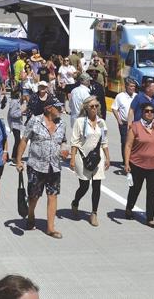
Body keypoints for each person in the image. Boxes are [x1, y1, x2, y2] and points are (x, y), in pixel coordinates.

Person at [16, 96, 66, 239]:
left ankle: (50, 228)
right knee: (34, 196)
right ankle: (31, 215)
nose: (61, 110)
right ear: (49, 108)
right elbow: (24, 140)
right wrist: (19, 160)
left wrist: (65, 149)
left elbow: (63, 140)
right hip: (36, 165)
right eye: (58, 107)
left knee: (53, 195)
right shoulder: (35, 121)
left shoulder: (62, 123)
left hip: (55, 166)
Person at [70, 96, 111, 227]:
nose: (94, 109)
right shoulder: (80, 122)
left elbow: (104, 141)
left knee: (97, 186)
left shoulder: (102, 123)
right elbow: (75, 141)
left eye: (96, 106)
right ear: (86, 108)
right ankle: (75, 202)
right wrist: (72, 158)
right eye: (92, 106)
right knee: (84, 186)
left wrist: (108, 158)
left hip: (98, 158)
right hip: (82, 158)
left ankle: (94, 213)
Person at [124, 103, 154, 229]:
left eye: (152, 111)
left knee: (152, 192)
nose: (149, 113)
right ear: (142, 112)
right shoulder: (135, 126)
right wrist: (126, 163)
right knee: (135, 189)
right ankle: (129, 208)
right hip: (137, 164)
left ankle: (150, 218)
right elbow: (128, 145)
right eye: (147, 111)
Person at [111, 78, 137, 162]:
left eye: (134, 86)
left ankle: (132, 160)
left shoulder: (137, 96)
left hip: (134, 124)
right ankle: (125, 160)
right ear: (126, 86)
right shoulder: (120, 96)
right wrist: (119, 120)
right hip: (124, 124)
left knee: (134, 143)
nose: (133, 88)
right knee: (125, 142)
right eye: (131, 86)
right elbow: (114, 108)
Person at [7, 88, 26, 166]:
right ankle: (14, 158)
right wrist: (22, 111)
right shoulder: (14, 102)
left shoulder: (16, 101)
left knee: (18, 140)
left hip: (17, 124)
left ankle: (16, 157)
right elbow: (12, 114)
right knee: (18, 140)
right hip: (15, 124)